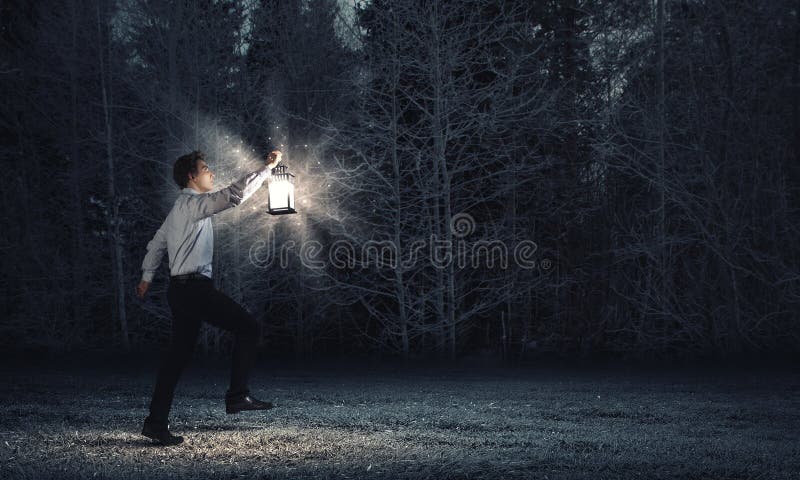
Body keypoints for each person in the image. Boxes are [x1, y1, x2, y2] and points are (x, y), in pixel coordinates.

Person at [135, 149, 282, 446]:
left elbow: (156, 244)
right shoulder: (193, 204)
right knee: (249, 328)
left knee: (176, 358)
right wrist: (267, 169)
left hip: (179, 291)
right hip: (194, 289)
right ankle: (237, 396)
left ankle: (155, 423)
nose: (211, 173)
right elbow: (233, 195)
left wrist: (147, 277)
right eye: (205, 168)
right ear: (192, 176)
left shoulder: (179, 209)